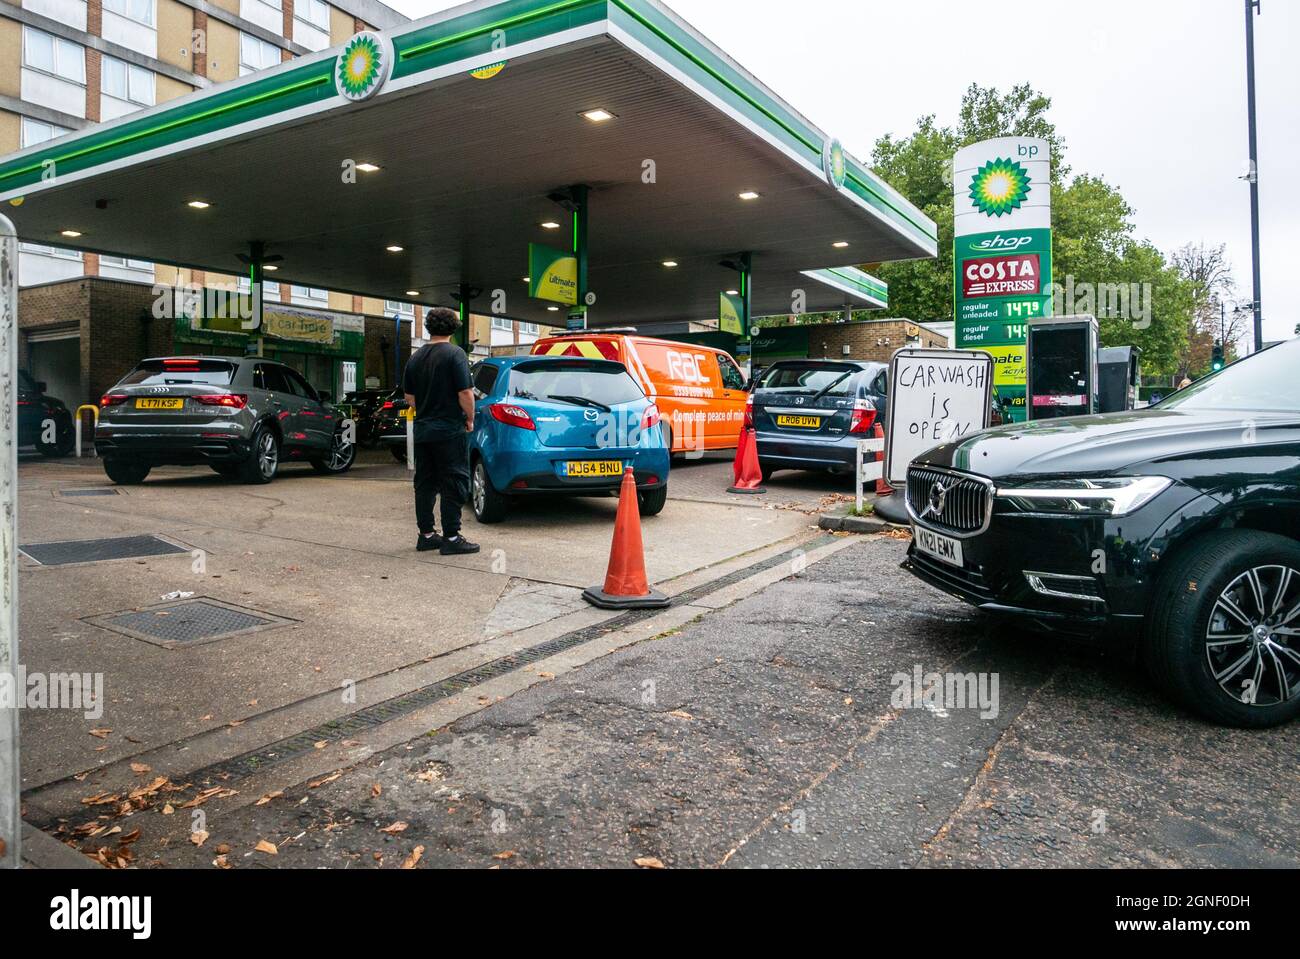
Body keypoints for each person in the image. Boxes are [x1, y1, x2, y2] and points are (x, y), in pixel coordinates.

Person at [402, 308, 480, 556]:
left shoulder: (415, 357)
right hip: (449, 429)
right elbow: (465, 393)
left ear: (428, 327)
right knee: (454, 481)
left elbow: (409, 396)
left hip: (423, 429)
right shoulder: (455, 354)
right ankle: (452, 537)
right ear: (454, 328)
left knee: (425, 482)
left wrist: (427, 409)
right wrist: (470, 418)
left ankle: (426, 535)